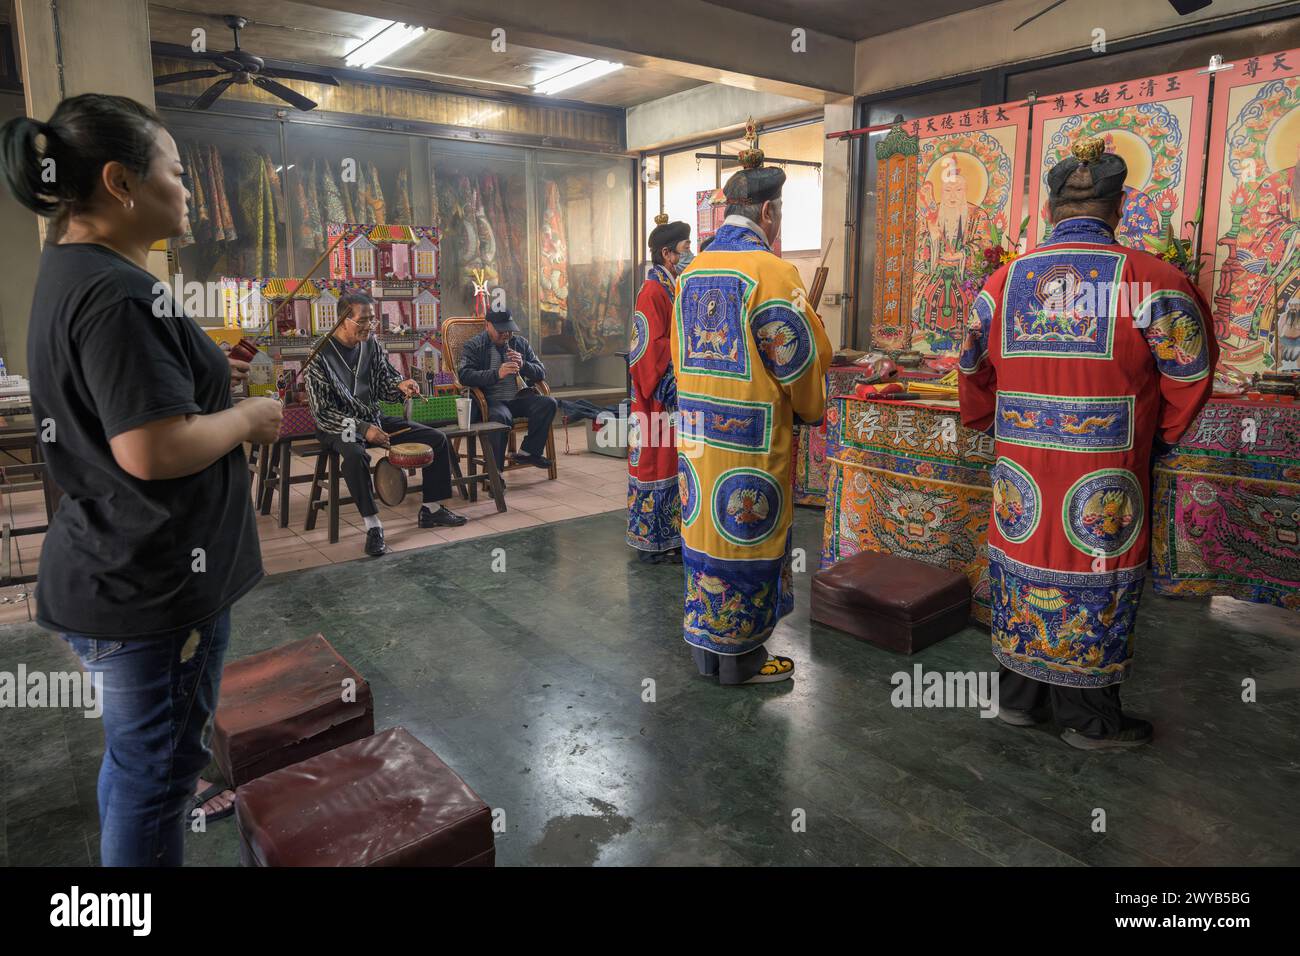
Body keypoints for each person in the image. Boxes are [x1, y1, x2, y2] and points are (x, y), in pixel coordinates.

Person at [0, 93, 284, 865]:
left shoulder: (79, 269)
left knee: (139, 765)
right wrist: (250, 419)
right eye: (178, 173)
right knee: (159, 778)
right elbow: (150, 452)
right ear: (123, 183)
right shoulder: (117, 292)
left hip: (117, 576)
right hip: (149, 589)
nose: (190, 191)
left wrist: (199, 379)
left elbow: (126, 403)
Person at [958, 136, 1217, 750]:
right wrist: (1156, 439)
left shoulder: (1002, 283)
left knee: (1023, 561)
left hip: (1022, 463)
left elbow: (970, 368)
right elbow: (1190, 373)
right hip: (1106, 469)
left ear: (1050, 209)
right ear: (1118, 207)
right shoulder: (1152, 282)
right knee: (1093, 570)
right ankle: (1089, 719)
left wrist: (997, 420)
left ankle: (1018, 699)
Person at [671, 145, 832, 685]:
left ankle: (707, 654)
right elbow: (800, 361)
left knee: (704, 537)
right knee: (746, 535)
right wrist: (812, 408)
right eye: (780, 213)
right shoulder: (774, 273)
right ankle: (743, 663)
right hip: (749, 443)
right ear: (768, 212)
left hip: (697, 442)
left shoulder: (691, 273)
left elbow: (676, 358)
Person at [304, 292, 467, 557]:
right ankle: (373, 526)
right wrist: (362, 429)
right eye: (363, 320)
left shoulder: (372, 344)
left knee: (436, 438)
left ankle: (432, 509)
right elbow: (322, 411)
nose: (370, 326)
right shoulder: (319, 355)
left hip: (373, 418)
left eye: (372, 319)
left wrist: (401, 386)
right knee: (356, 455)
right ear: (343, 320)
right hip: (338, 425)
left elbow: (385, 385)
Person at [627, 214, 690, 564]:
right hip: (656, 395)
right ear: (668, 254)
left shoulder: (671, 286)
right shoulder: (653, 290)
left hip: (665, 392)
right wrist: (682, 350)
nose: (689, 253)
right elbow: (648, 347)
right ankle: (654, 543)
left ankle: (669, 539)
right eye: (685, 249)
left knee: (669, 462)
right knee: (656, 463)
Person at [457, 308, 558, 479]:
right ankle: (494, 475)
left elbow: (541, 371)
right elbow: (465, 375)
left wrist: (524, 364)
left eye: (509, 329)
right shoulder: (474, 345)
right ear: (487, 325)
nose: (506, 334)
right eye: (501, 330)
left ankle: (528, 451)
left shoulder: (520, 344)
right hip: (491, 401)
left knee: (548, 403)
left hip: (520, 398)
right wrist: (497, 374)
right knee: (500, 419)